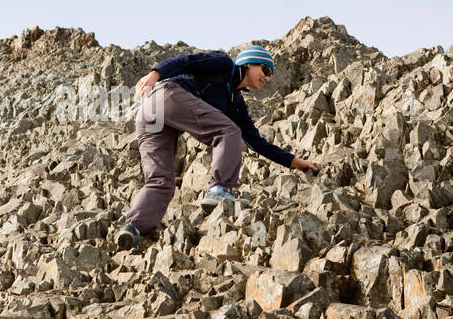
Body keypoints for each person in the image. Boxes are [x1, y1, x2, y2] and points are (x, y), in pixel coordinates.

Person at [115, 45, 318, 250]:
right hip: (164, 95)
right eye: (265, 70)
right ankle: (219, 187)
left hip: (151, 115)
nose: (267, 78)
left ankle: (134, 228)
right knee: (228, 131)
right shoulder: (224, 64)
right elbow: (187, 62)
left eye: (270, 75)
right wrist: (155, 74)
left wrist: (294, 162)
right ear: (248, 63)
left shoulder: (235, 103)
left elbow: (257, 142)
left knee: (161, 181)